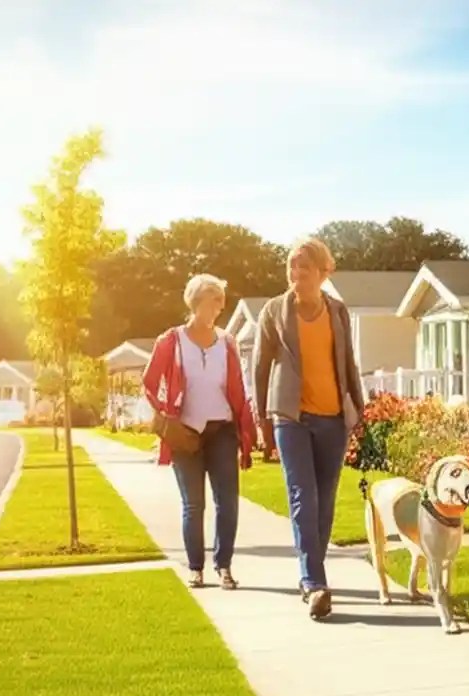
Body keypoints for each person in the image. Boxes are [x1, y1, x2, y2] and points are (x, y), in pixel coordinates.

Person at [252, 238, 365, 620]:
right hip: (291, 417)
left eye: (305, 267)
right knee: (303, 495)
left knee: (325, 501)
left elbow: (348, 360)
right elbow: (260, 366)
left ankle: (311, 567)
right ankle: (314, 582)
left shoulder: (337, 311)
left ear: (322, 272)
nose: (296, 273)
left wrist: (358, 407)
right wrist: (261, 417)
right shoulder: (274, 311)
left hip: (332, 417)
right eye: (292, 265)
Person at [143, 273, 255, 591]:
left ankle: (224, 566)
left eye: (221, 301)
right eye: (213, 300)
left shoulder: (227, 343)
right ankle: (196, 568)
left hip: (222, 431)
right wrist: (166, 417)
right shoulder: (171, 341)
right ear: (196, 302)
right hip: (186, 434)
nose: (219, 307)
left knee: (227, 503)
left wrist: (247, 432)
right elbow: (149, 383)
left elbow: (238, 391)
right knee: (194, 505)